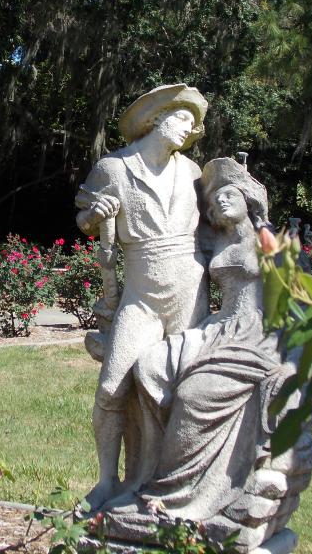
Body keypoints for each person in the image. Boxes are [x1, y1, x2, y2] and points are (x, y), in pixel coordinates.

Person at [121, 157, 293, 526]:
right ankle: (142, 474)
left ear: (248, 198)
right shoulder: (212, 240)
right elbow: (166, 238)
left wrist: (293, 357)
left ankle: (177, 495)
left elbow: (297, 302)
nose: (220, 202)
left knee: (196, 394)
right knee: (149, 368)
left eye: (228, 194)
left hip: (256, 334)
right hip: (217, 327)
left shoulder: (270, 242)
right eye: (213, 201)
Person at [75, 84, 209, 510]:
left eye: (193, 125)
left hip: (190, 289)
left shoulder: (192, 172)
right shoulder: (114, 169)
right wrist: (95, 217)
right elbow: (84, 220)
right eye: (184, 120)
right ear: (158, 118)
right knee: (112, 388)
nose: (189, 131)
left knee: (183, 390)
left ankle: (176, 486)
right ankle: (106, 481)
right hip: (141, 295)